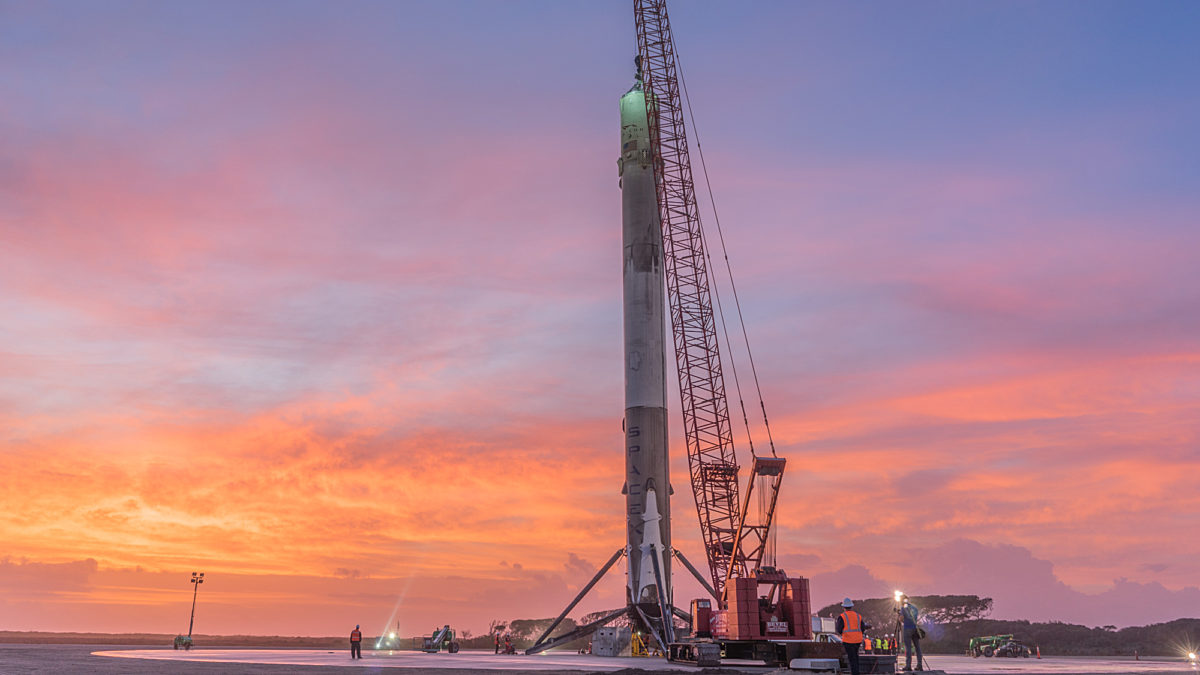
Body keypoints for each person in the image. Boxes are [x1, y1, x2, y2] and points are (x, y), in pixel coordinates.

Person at [836, 597, 871, 675]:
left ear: (844, 607)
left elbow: (839, 629)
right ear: (851, 606)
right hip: (857, 640)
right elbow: (862, 628)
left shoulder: (842, 616)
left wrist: (844, 634)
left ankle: (855, 673)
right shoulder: (858, 616)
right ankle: (856, 672)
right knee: (855, 657)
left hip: (848, 640)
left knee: (852, 658)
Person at [899, 594, 923, 671]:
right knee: (917, 647)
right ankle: (919, 665)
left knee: (908, 648)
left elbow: (902, 619)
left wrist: (899, 617)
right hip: (915, 629)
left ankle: (908, 666)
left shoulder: (903, 607)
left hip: (907, 628)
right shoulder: (914, 608)